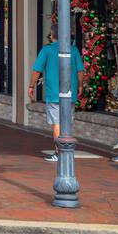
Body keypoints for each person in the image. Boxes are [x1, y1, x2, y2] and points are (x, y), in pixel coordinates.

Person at [27, 23, 84, 161]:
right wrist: (80, 86)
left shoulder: (47, 50)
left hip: (54, 93)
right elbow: (80, 70)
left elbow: (37, 70)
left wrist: (31, 86)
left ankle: (59, 153)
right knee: (67, 122)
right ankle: (66, 151)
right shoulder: (74, 50)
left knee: (57, 123)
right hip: (70, 92)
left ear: (52, 35)